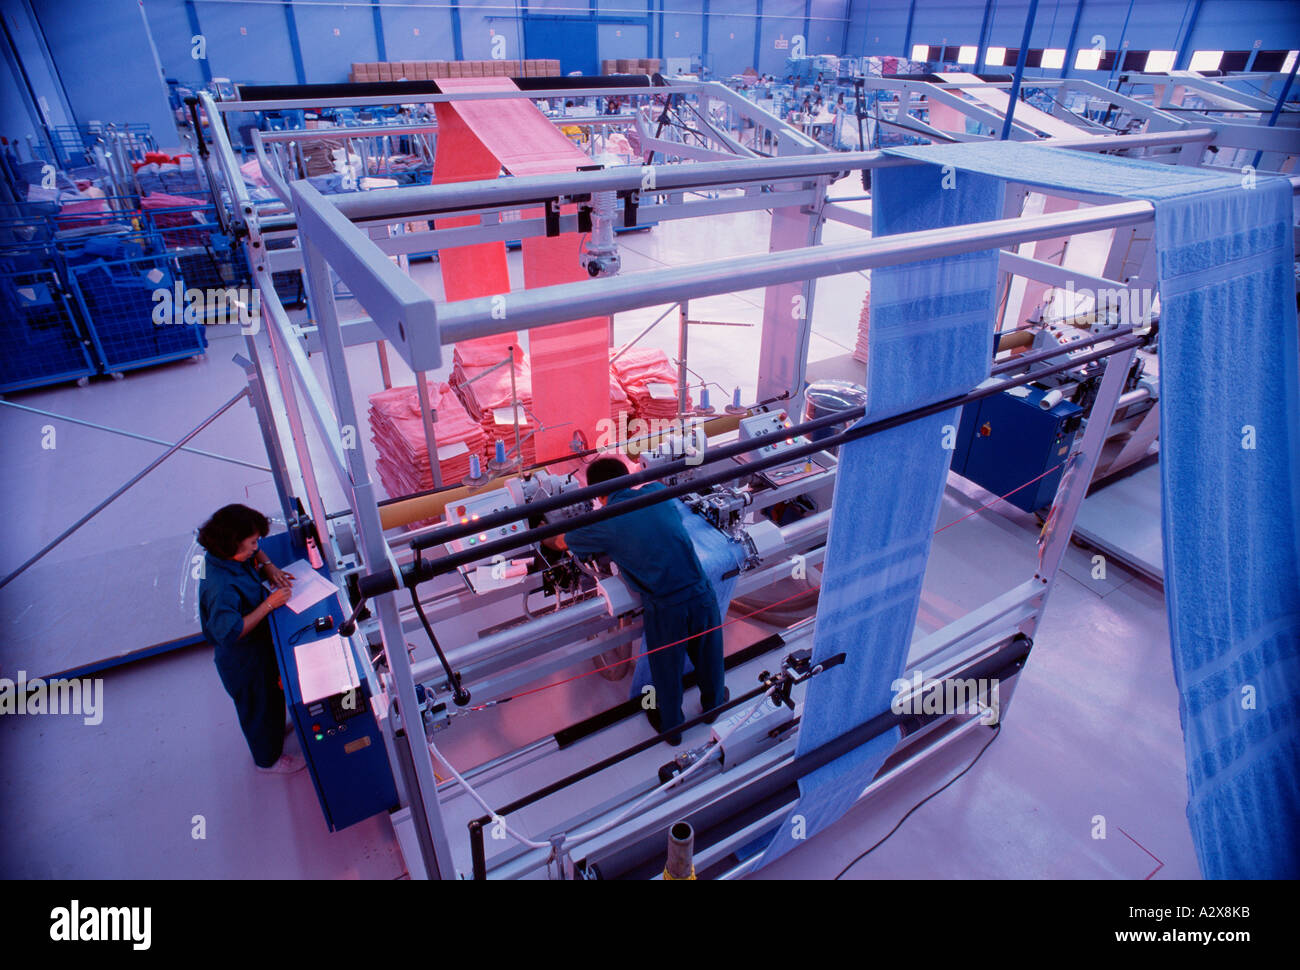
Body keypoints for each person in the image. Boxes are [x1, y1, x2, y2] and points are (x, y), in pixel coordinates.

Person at [549, 458, 728, 745]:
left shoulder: (603, 522)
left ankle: (672, 727)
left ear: (596, 495)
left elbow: (561, 542)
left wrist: (543, 528)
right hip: (701, 592)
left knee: (666, 669)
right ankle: (714, 705)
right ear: (629, 480)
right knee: (709, 654)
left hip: (667, 608)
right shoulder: (657, 490)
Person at [197, 504, 305, 774]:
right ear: (232, 544)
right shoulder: (220, 587)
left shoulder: (226, 555)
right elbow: (232, 631)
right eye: (253, 542)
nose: (257, 547)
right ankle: (267, 761)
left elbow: (255, 554)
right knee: (258, 709)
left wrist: (269, 568)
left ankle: (275, 728)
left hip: (259, 648)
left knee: (271, 698)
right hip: (244, 660)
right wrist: (271, 603)